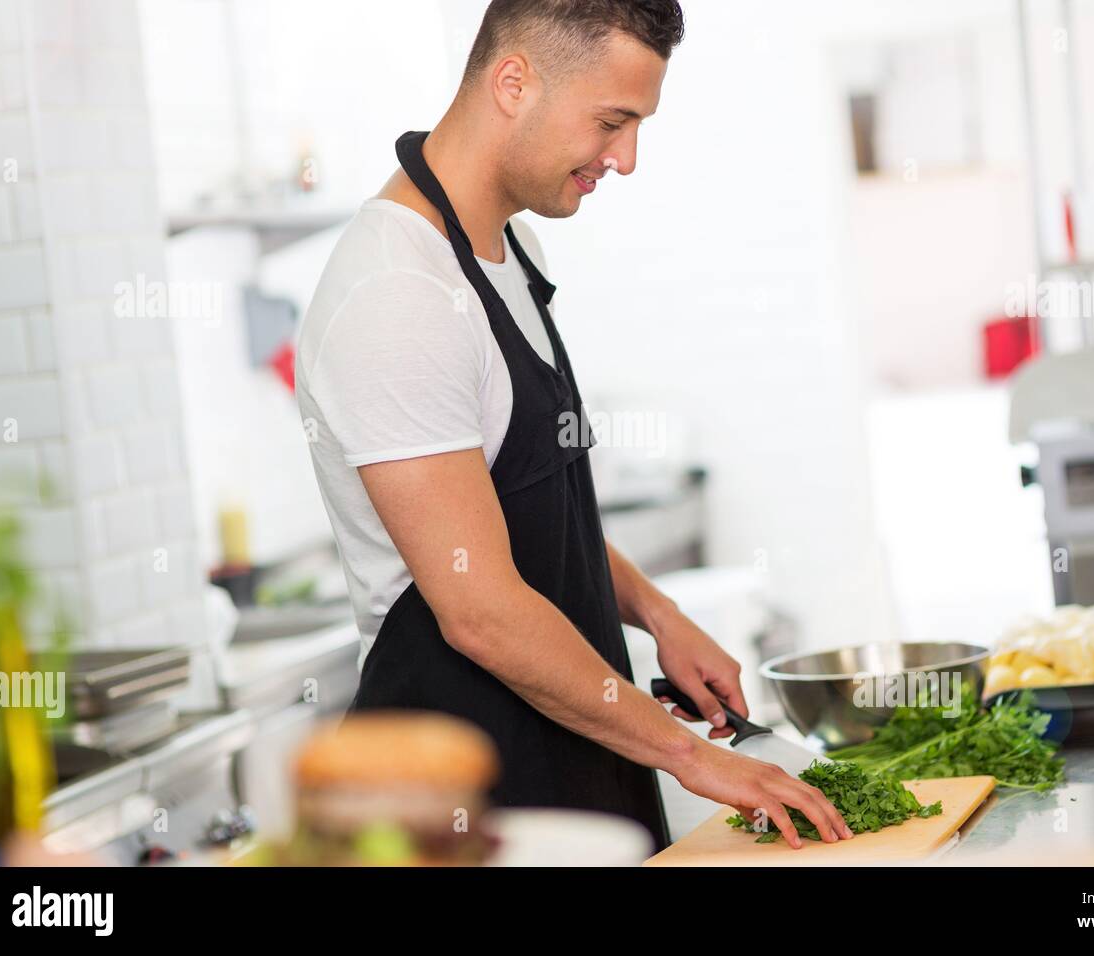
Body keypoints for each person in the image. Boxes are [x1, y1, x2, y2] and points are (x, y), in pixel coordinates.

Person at [296, 0, 850, 852]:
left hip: (579, 755)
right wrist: (692, 758)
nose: (625, 159)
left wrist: (656, 613)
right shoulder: (395, 296)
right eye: (612, 121)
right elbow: (479, 607)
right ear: (513, 81)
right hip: (476, 805)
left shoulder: (510, 249)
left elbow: (532, 510)